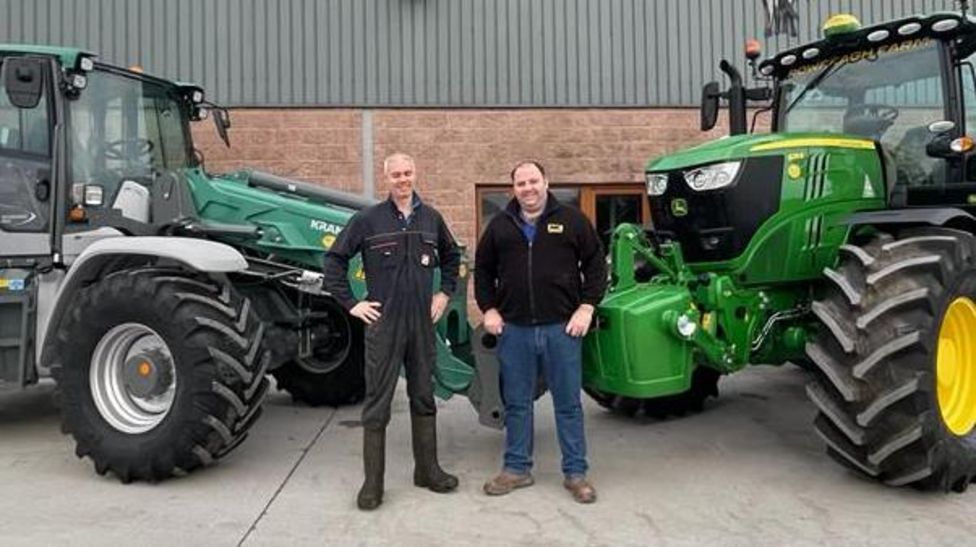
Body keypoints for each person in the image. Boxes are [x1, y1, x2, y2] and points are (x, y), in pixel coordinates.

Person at [322, 152, 461, 510]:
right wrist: (352, 303)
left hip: (421, 322)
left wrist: (444, 293)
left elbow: (451, 256)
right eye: (396, 174)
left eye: (407, 172)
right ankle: (373, 484)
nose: (402, 179)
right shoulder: (368, 220)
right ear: (387, 178)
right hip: (383, 323)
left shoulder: (431, 218)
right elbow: (334, 260)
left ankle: (427, 470)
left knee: (423, 395)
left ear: (416, 174)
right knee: (378, 403)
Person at [475, 160, 607, 504]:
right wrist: (488, 308)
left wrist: (587, 306)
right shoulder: (500, 226)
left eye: (533, 181)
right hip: (514, 330)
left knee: (568, 404)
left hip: (561, 329)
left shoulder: (572, 220)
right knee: (517, 403)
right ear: (512, 189)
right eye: (521, 183)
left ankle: (576, 473)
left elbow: (595, 264)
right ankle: (517, 469)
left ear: (546, 182)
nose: (528, 188)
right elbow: (484, 271)